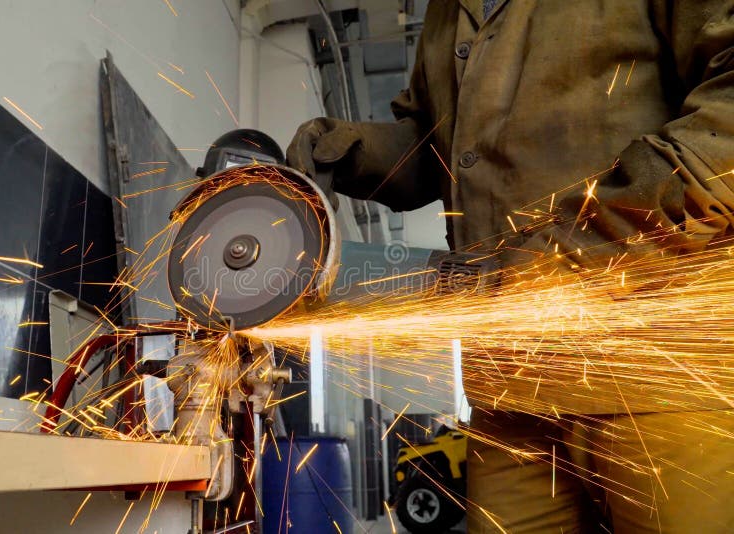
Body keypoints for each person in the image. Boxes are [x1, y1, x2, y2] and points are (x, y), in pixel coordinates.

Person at [287, 1, 734, 532]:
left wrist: (581, 247)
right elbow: (444, 147)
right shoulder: (446, 11)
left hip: (658, 369)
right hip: (511, 392)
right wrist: (355, 152)